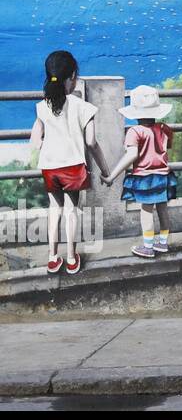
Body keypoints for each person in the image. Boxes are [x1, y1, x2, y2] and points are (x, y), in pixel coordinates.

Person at [29, 50, 110, 275]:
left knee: (54, 209)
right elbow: (91, 142)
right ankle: (72, 258)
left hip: (50, 166)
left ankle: (53, 258)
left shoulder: (42, 106)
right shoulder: (81, 107)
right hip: (73, 166)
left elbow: (35, 140)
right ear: (73, 76)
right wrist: (105, 170)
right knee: (71, 210)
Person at [101, 85, 177, 259]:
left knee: (146, 211)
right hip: (164, 175)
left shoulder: (134, 132)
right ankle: (163, 243)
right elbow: (168, 146)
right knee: (163, 209)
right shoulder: (164, 128)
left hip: (145, 177)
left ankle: (148, 247)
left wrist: (112, 176)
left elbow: (132, 155)